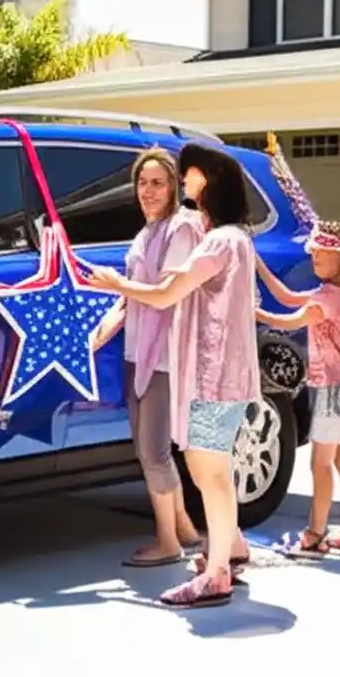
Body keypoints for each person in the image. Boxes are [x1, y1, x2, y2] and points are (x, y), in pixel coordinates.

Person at [88, 141, 260, 608]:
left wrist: (117, 284)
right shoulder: (234, 239)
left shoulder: (221, 240)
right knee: (213, 472)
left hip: (212, 377)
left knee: (209, 474)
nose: (185, 183)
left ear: (212, 182)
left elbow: (166, 294)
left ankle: (217, 574)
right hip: (222, 376)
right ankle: (230, 552)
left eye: (190, 176)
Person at [91, 148, 204, 567]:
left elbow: (163, 295)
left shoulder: (182, 231)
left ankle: (168, 542)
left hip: (166, 357)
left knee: (154, 451)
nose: (148, 191)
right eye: (142, 183)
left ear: (174, 186)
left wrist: (117, 285)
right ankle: (186, 529)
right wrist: (109, 323)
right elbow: (132, 294)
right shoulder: (146, 233)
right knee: (147, 451)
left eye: (157, 182)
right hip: (137, 353)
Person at [254, 221, 340, 557]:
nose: (315, 258)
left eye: (322, 254)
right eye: (314, 253)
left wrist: (251, 311)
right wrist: (258, 264)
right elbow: (288, 297)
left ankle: (314, 535)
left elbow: (286, 318)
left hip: (333, 391)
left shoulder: (326, 300)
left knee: (320, 464)